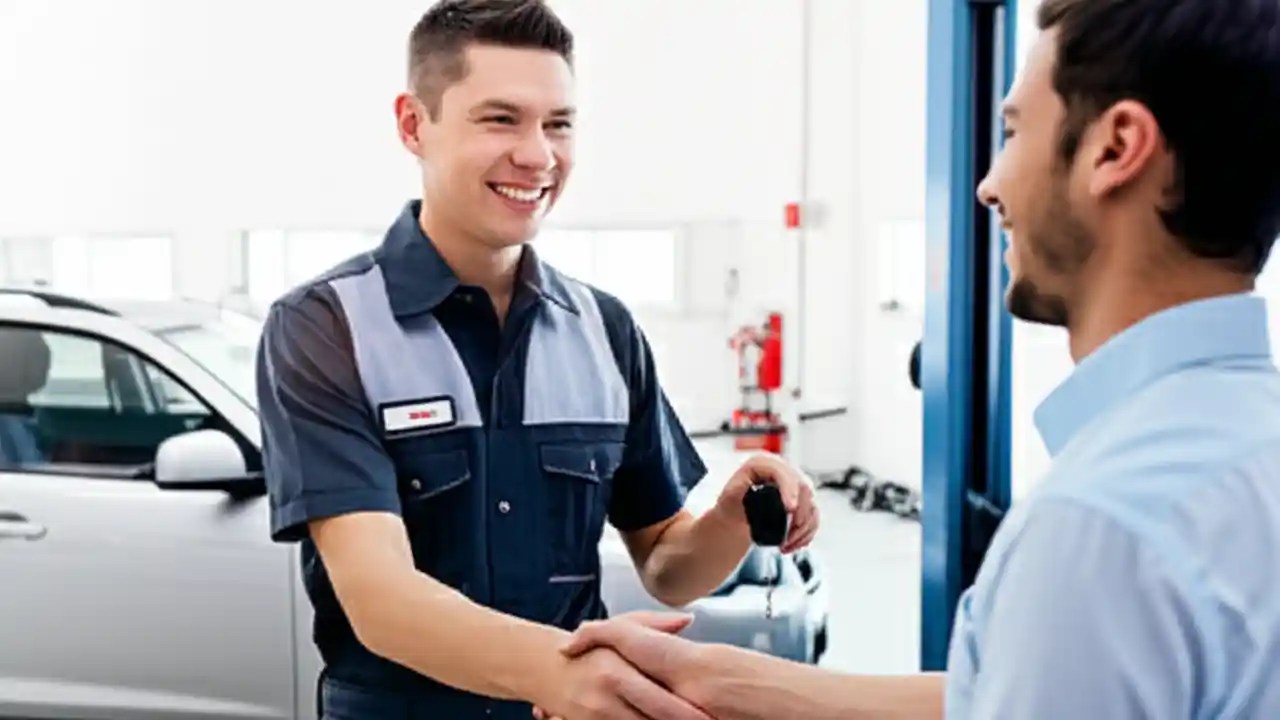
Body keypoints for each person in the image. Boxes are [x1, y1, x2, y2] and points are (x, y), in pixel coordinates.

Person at [536, 0, 1280, 717]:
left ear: (1115, 148)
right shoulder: (1246, 448)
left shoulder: (1101, 522)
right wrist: (730, 684)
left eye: (1014, 131)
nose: (989, 184)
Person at [254, 1, 820, 718]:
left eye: (559, 123)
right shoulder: (327, 327)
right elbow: (382, 601)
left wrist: (733, 517)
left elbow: (669, 567)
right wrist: (564, 676)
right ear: (412, 125)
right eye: (501, 119)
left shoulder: (603, 329)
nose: (538, 155)